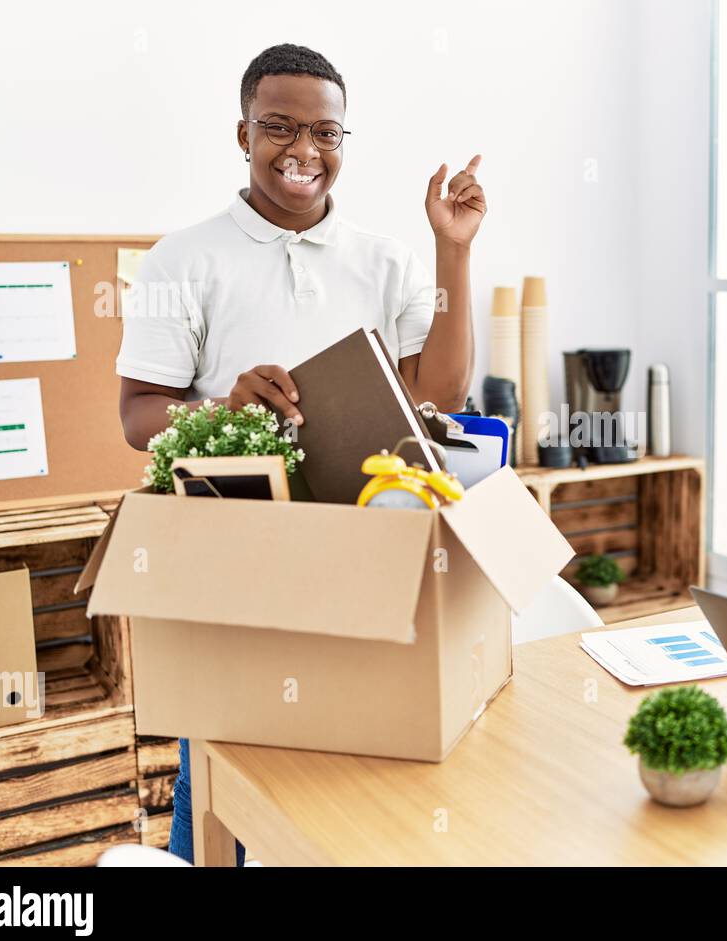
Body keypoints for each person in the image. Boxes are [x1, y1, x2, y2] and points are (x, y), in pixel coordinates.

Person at [115, 43, 486, 864]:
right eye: (278, 127)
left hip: (364, 547)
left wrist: (452, 247)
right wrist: (224, 403)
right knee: (223, 758)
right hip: (232, 551)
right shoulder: (185, 258)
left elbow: (443, 398)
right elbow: (138, 415)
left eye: (325, 132)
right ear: (241, 133)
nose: (303, 151)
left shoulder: (384, 258)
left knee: (348, 760)